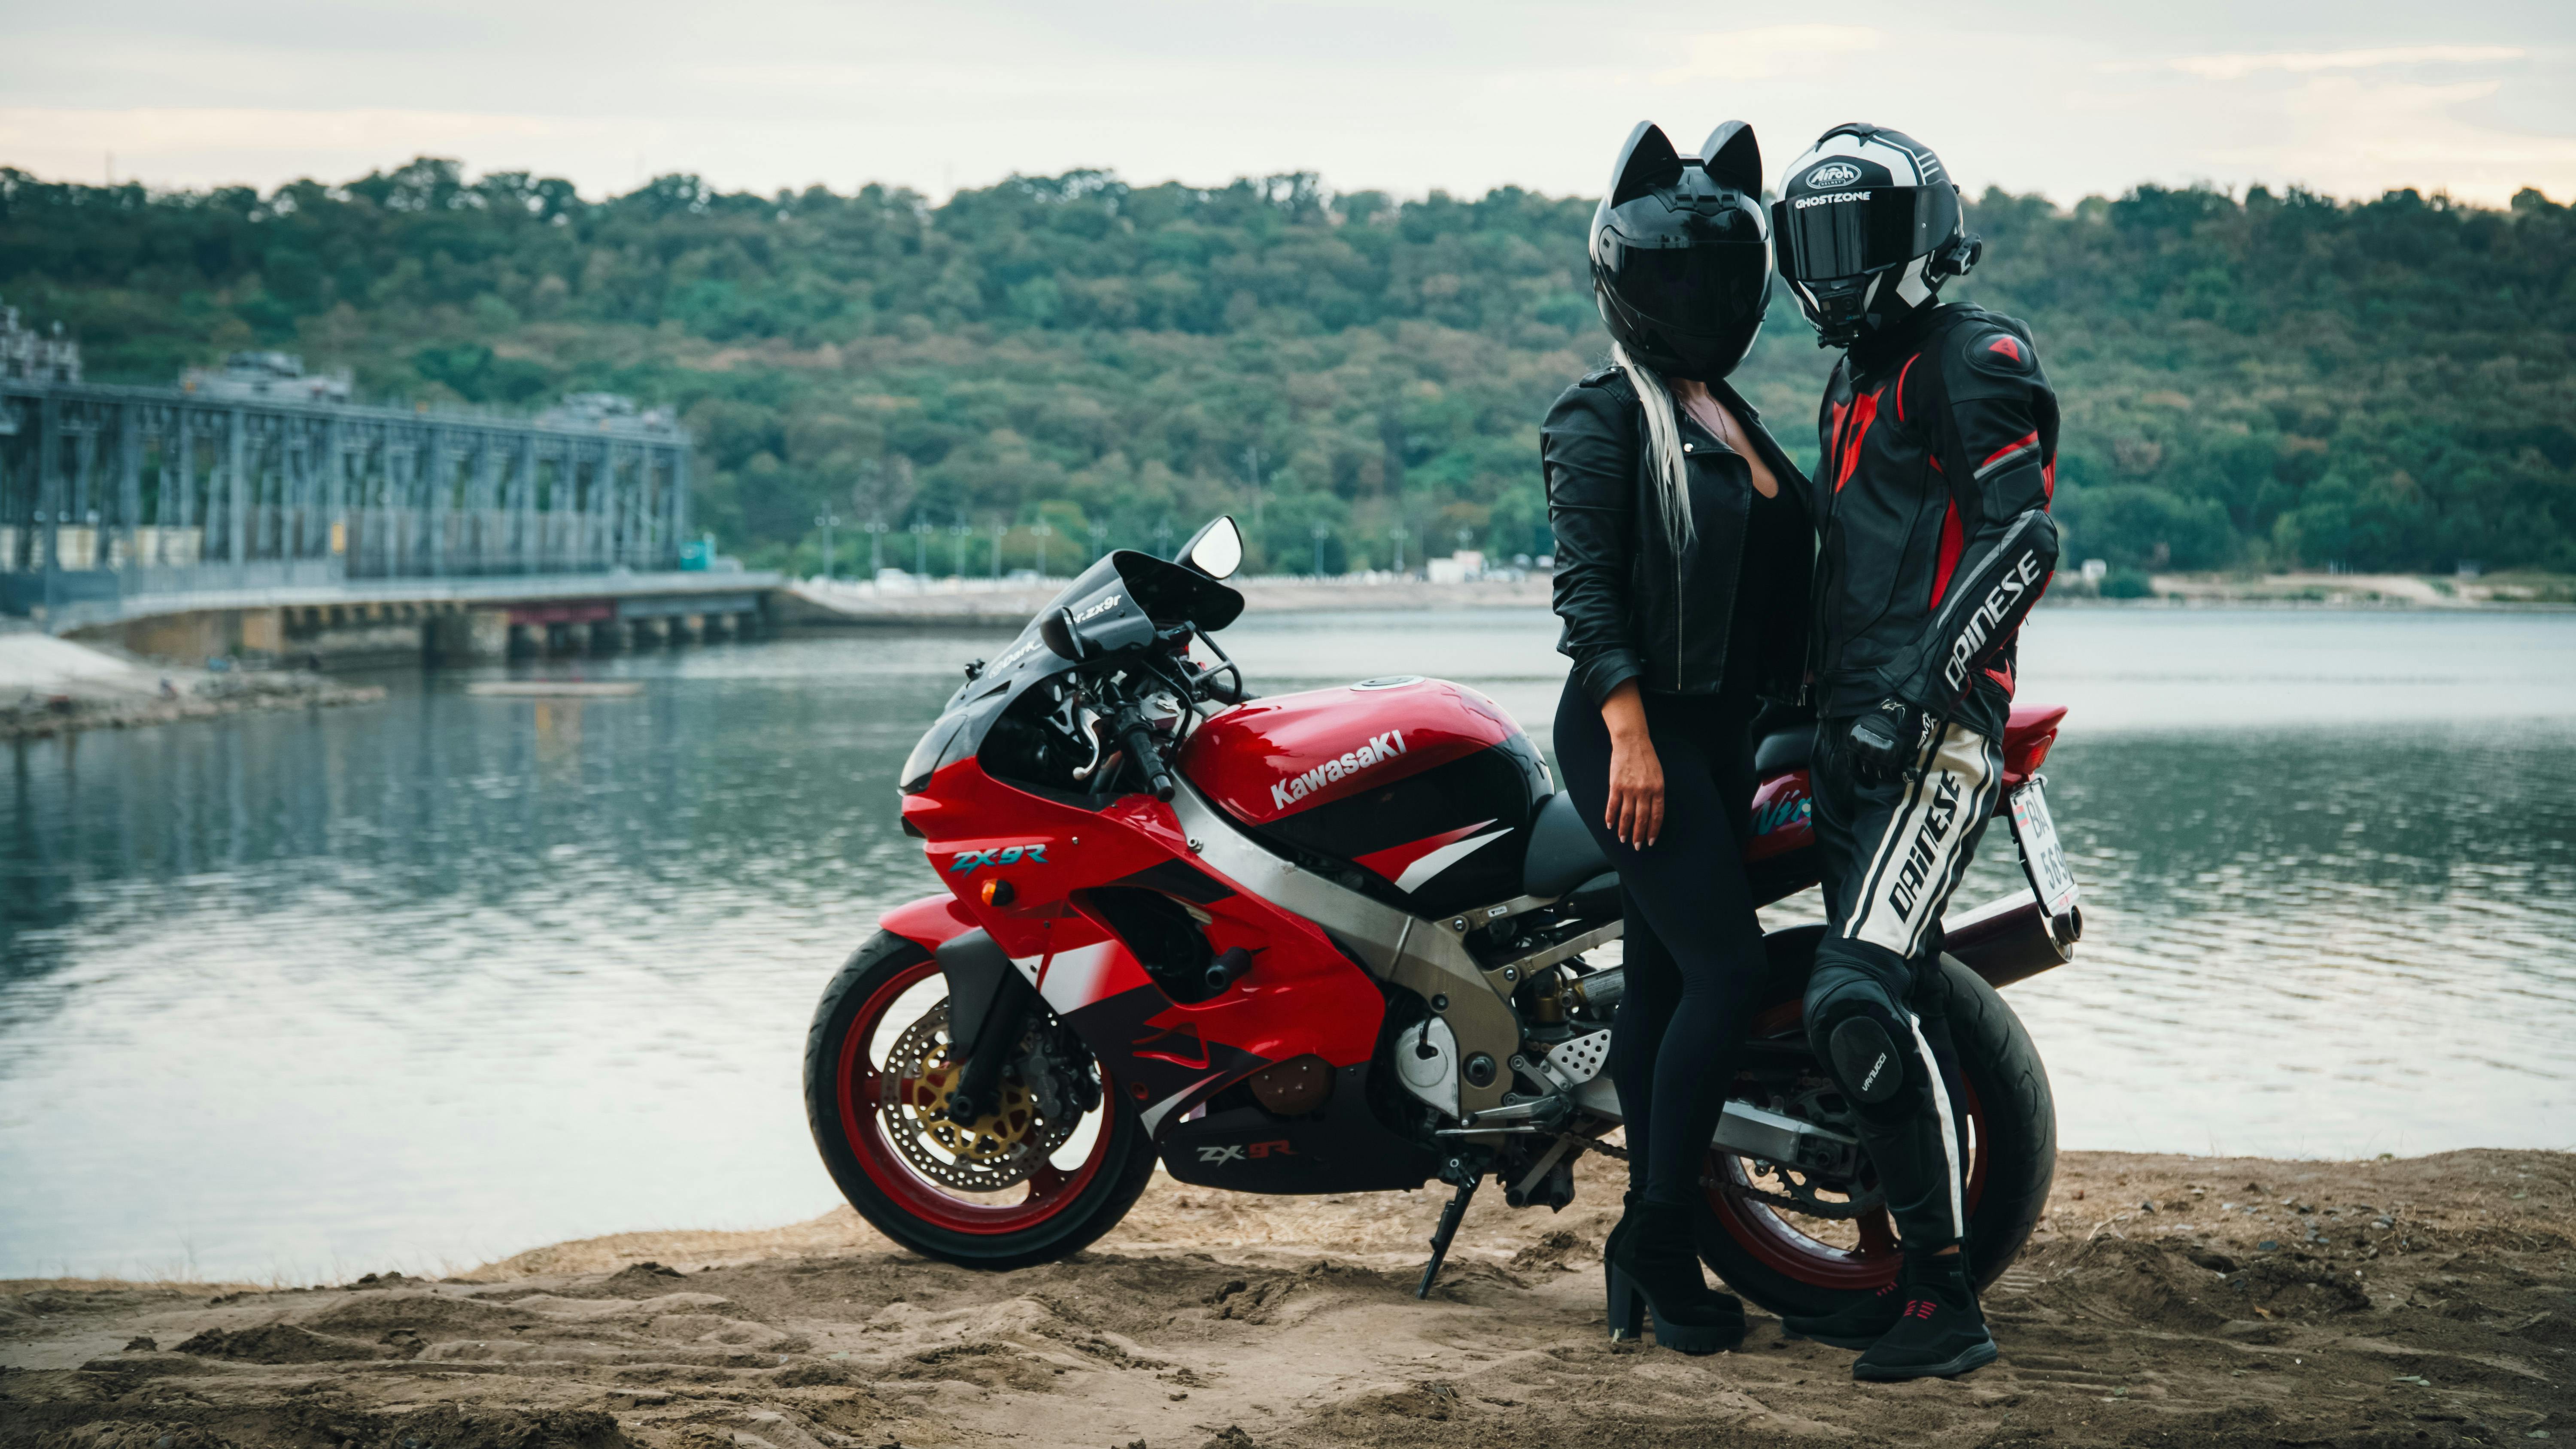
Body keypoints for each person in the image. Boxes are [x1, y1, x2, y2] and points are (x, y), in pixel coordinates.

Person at [1767, 122, 2061, 1382]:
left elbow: (2025, 543)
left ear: (1919, 238)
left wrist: (1927, 698)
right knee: (1862, 1002)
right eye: (1813, 242)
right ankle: (1900, 1277)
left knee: (1852, 998)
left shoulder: (1976, 355)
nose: (1831, 270)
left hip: (1933, 741)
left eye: (1854, 241)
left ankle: (1948, 1306)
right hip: (1846, 731)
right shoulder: (1856, 373)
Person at [1545, 119, 1813, 1356]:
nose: (1702, 297)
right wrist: (1631, 737)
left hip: (1718, 741)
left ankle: (1646, 1248)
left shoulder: (1729, 414)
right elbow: (1588, 595)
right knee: (1727, 973)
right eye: (1680, 276)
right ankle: (1658, 1231)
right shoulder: (1602, 420)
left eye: (1723, 276)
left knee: (1661, 987)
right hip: (1632, 741)